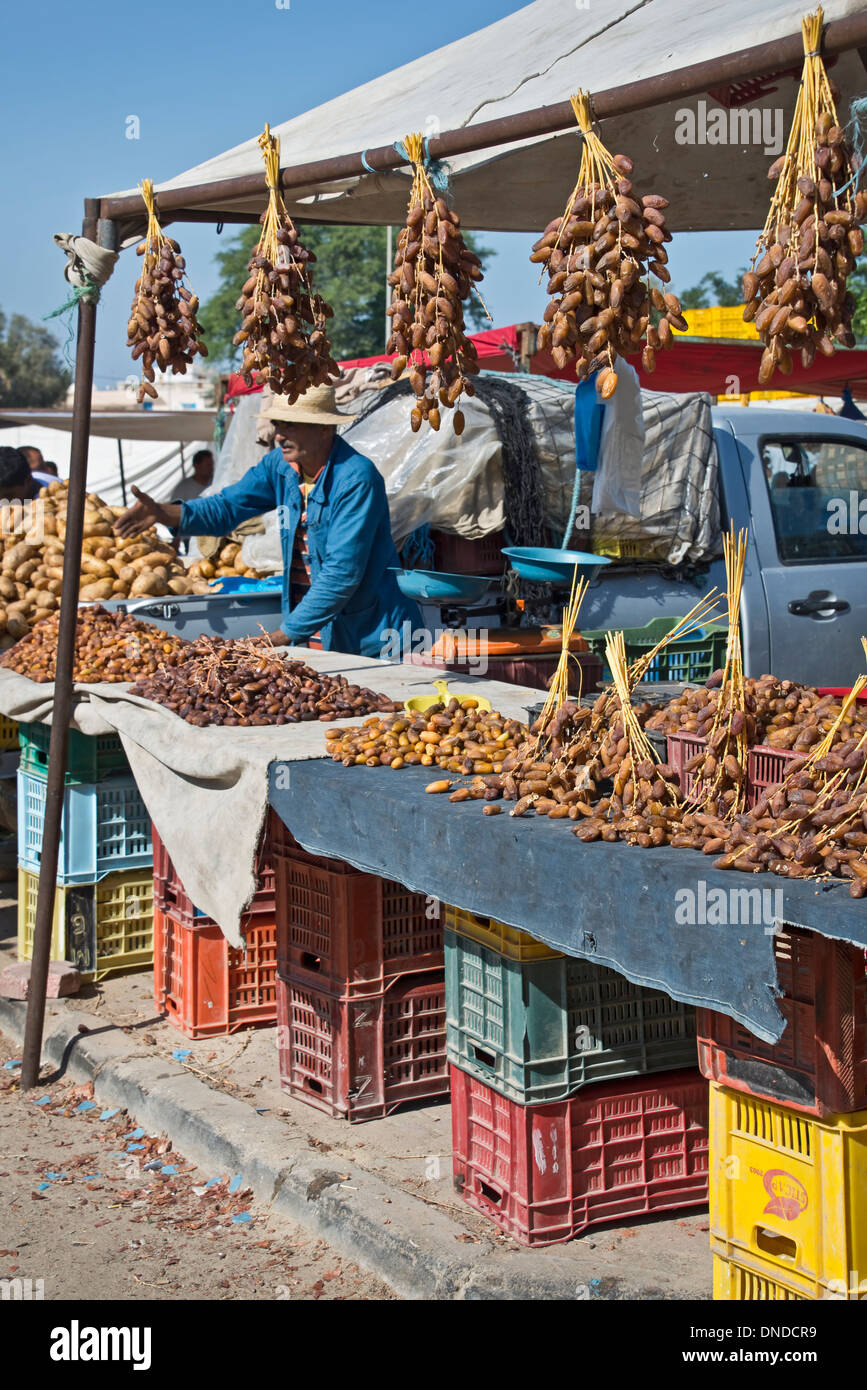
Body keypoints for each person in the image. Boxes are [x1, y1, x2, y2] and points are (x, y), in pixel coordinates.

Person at [116, 384, 422, 657]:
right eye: (278, 424)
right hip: (315, 632)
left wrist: (280, 636)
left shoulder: (355, 478)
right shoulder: (281, 466)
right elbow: (227, 507)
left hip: (375, 639)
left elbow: (341, 575)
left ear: (324, 429)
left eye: (291, 424)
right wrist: (167, 512)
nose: (279, 434)